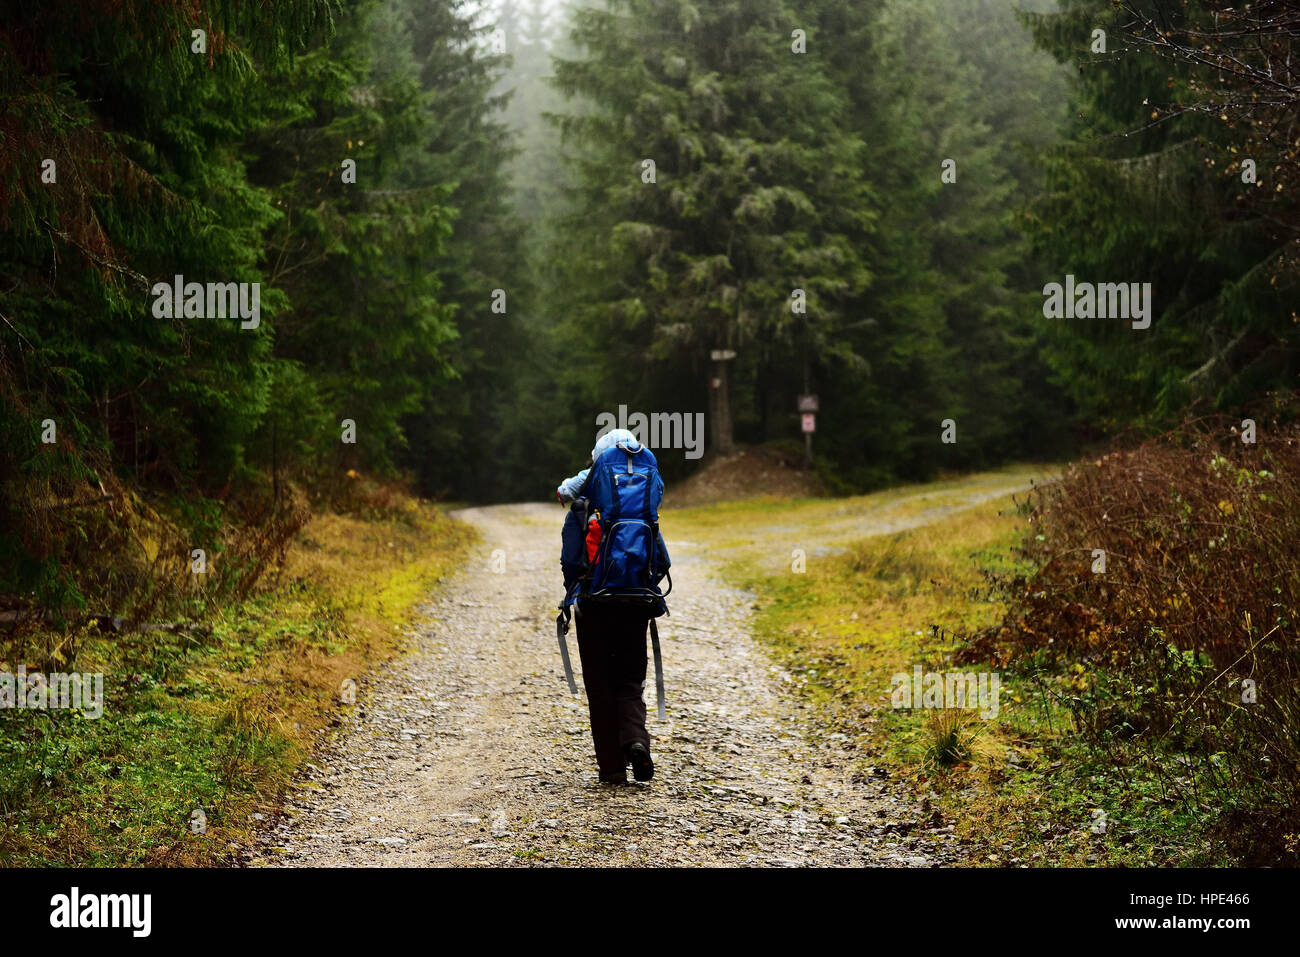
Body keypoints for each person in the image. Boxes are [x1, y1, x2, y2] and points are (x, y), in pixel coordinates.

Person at [556, 428, 656, 785]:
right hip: (635, 602)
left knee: (600, 686)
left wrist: (572, 594)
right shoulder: (642, 509)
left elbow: (570, 560)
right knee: (630, 679)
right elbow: (660, 560)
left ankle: (612, 769)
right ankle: (636, 742)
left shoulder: (582, 509)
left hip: (594, 605)